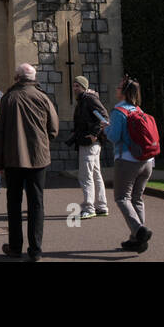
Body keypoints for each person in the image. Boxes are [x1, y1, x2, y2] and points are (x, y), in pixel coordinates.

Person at [0, 63, 58, 261]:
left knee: (14, 204)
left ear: (17, 77)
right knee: (36, 204)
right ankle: (36, 250)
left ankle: (15, 247)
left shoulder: (8, 98)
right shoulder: (43, 97)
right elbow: (53, 129)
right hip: (38, 159)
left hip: (13, 160)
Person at [105, 77, 154, 252]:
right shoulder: (138, 110)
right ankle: (136, 240)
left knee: (121, 198)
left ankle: (139, 231)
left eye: (118, 87)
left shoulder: (119, 111)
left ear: (124, 92)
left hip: (127, 160)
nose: (116, 90)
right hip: (147, 161)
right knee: (137, 199)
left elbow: (114, 136)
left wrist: (105, 127)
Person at [71, 75, 110, 220]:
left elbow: (105, 117)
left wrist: (94, 134)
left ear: (84, 87)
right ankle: (101, 206)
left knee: (85, 175)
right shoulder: (84, 100)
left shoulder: (89, 99)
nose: (75, 88)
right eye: (74, 85)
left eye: (77, 86)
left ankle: (89, 207)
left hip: (90, 143)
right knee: (95, 174)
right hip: (90, 143)